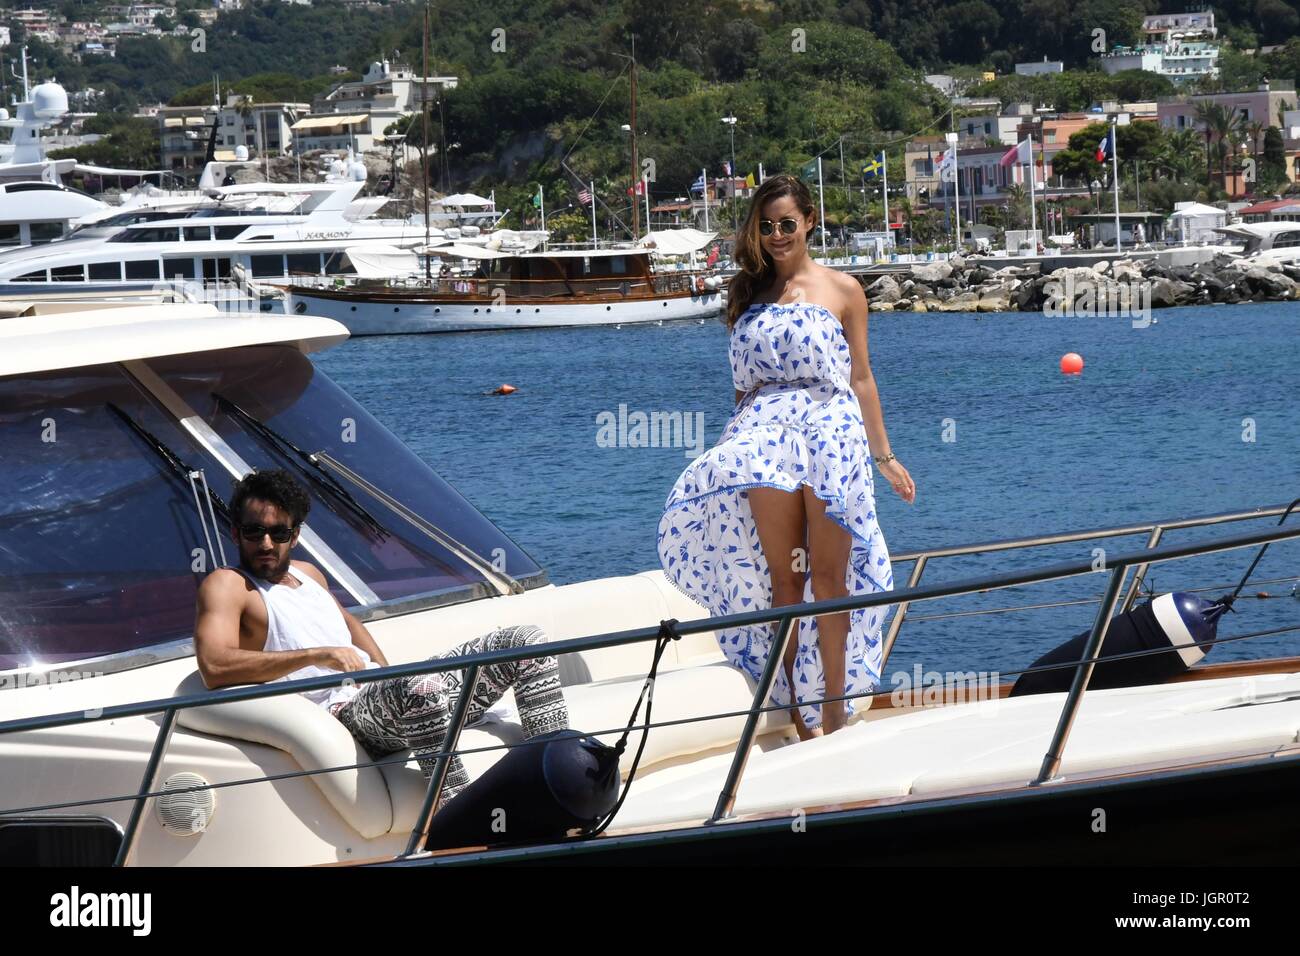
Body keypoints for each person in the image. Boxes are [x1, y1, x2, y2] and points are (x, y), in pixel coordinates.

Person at [657, 173, 915, 740]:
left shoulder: (844, 290)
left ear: (809, 223)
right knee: (785, 581)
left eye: (787, 224)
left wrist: (884, 456)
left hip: (831, 435)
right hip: (763, 441)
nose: (776, 235)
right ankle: (798, 717)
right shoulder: (744, 293)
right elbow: (740, 388)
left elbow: (862, 378)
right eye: (766, 225)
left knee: (830, 579)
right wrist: (733, 440)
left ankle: (834, 715)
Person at [194, 469, 569, 805]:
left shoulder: (310, 575)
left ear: (295, 536)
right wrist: (316, 656)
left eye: (279, 532)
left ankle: (558, 774)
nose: (265, 543)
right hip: (342, 716)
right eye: (253, 531)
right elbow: (214, 665)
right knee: (419, 688)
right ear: (235, 532)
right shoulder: (229, 585)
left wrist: (388, 678)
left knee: (526, 641)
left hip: (380, 698)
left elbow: (350, 628)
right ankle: (456, 812)